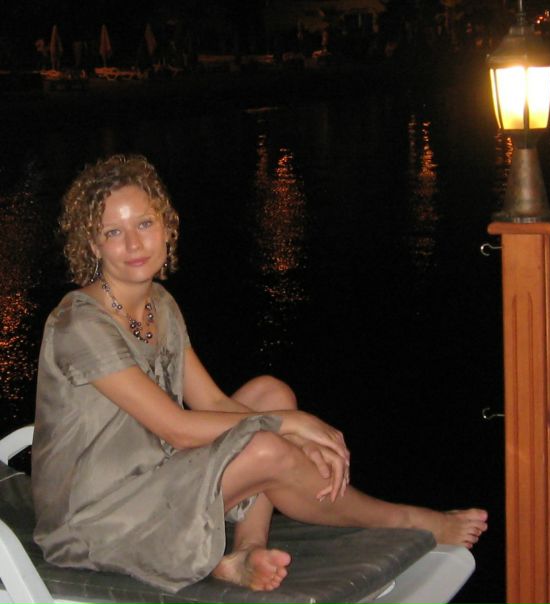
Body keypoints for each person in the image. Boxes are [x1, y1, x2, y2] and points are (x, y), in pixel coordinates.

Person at [31, 154, 488, 594]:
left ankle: (247, 550)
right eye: (113, 232)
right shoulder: (79, 323)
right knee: (267, 444)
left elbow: (212, 403)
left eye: (144, 224)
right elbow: (177, 427)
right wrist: (293, 427)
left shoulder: (160, 305)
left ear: (167, 226)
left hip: (152, 476)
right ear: (93, 245)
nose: (134, 244)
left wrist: (291, 427)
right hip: (94, 520)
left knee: (271, 394)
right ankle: (408, 521)